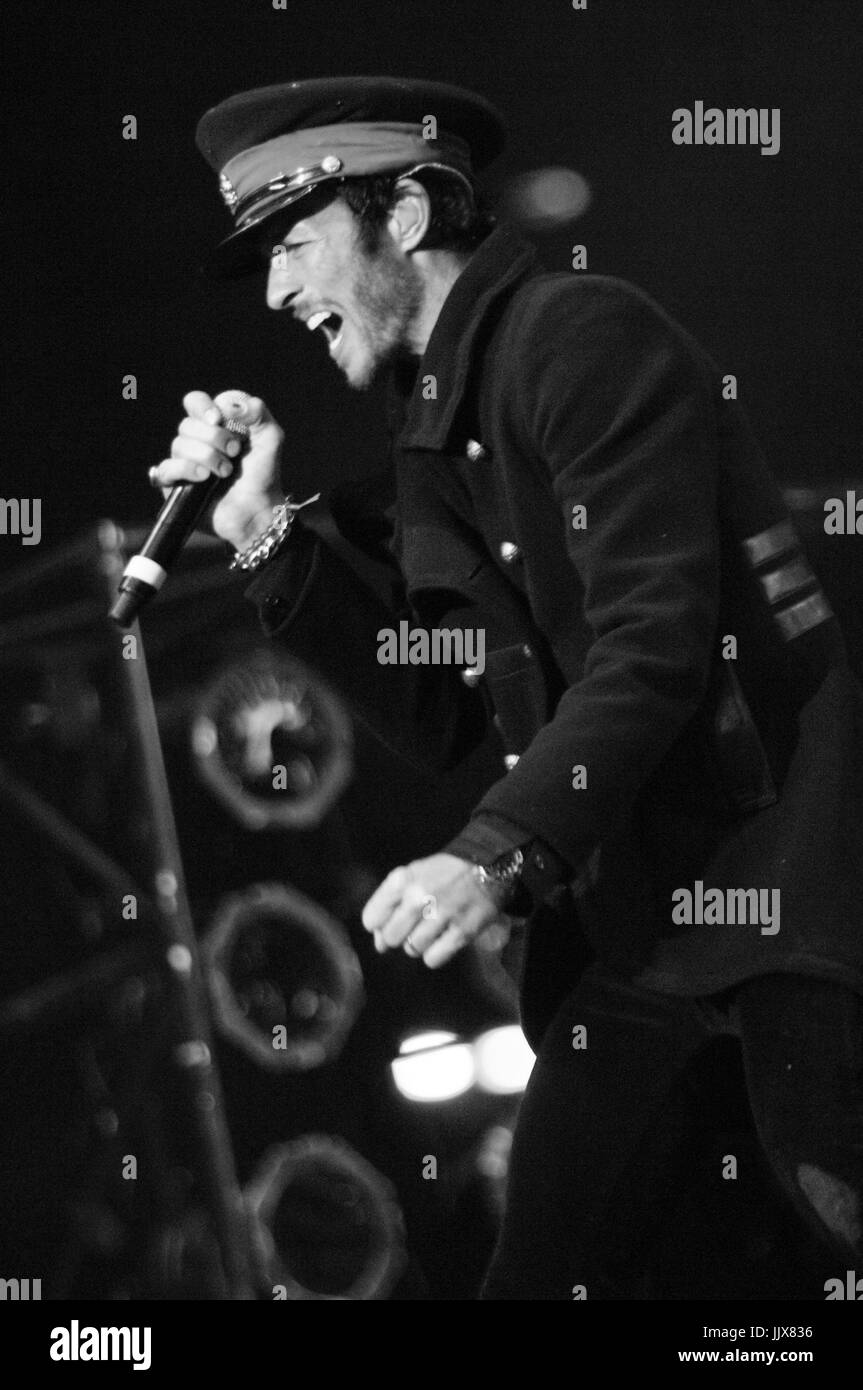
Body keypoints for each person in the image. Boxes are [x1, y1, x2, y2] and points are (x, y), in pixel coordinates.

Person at [149, 76, 863, 1299]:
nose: (276, 292)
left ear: (411, 216)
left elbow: (653, 646)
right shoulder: (437, 432)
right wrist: (263, 530)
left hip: (791, 882)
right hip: (644, 930)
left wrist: (493, 855)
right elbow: (441, 713)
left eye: (295, 243)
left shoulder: (581, 337)